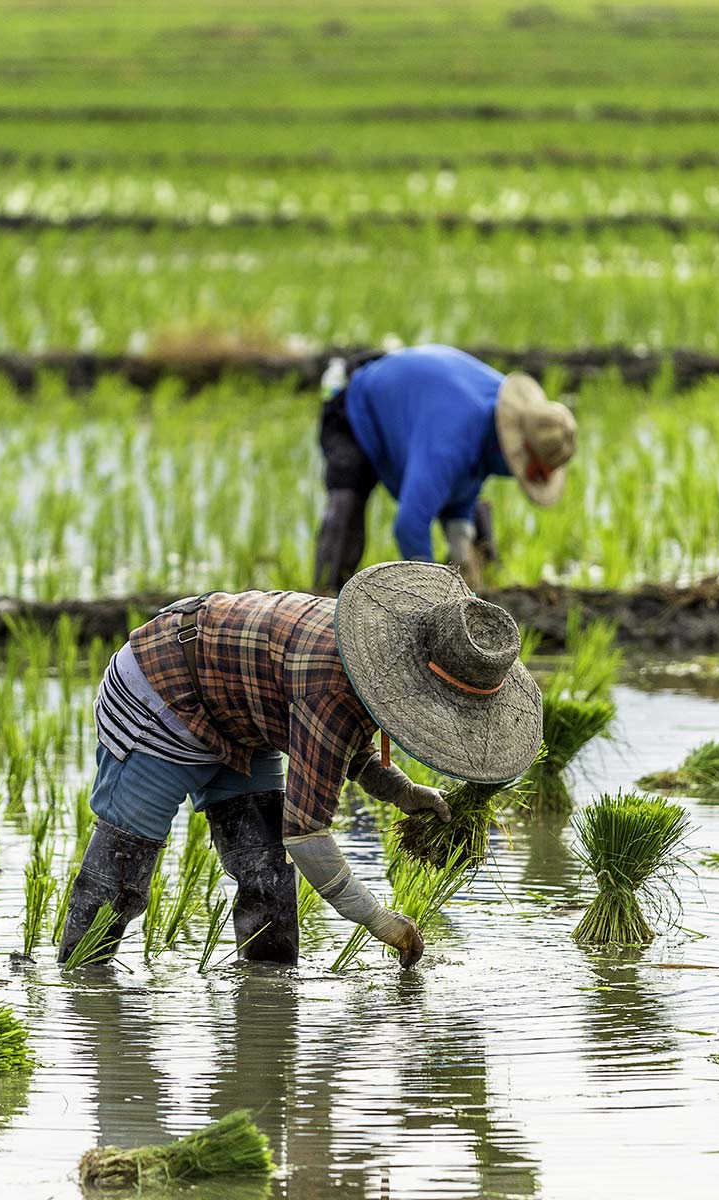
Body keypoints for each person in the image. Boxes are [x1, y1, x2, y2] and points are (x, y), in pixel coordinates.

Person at [57, 561, 543, 968]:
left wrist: (399, 790)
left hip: (243, 713)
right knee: (124, 866)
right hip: (163, 690)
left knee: (265, 868)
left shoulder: (373, 666)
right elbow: (308, 834)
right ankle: (82, 985)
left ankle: (267, 990)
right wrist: (382, 922)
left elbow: (340, 741)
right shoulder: (337, 679)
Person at [313, 345, 577, 594]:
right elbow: (409, 526)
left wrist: (462, 550)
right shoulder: (450, 443)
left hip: (427, 422)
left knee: (474, 531)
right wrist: (433, 592)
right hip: (355, 406)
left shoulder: (494, 425)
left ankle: (483, 587)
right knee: (347, 502)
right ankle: (327, 595)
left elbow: (468, 475)